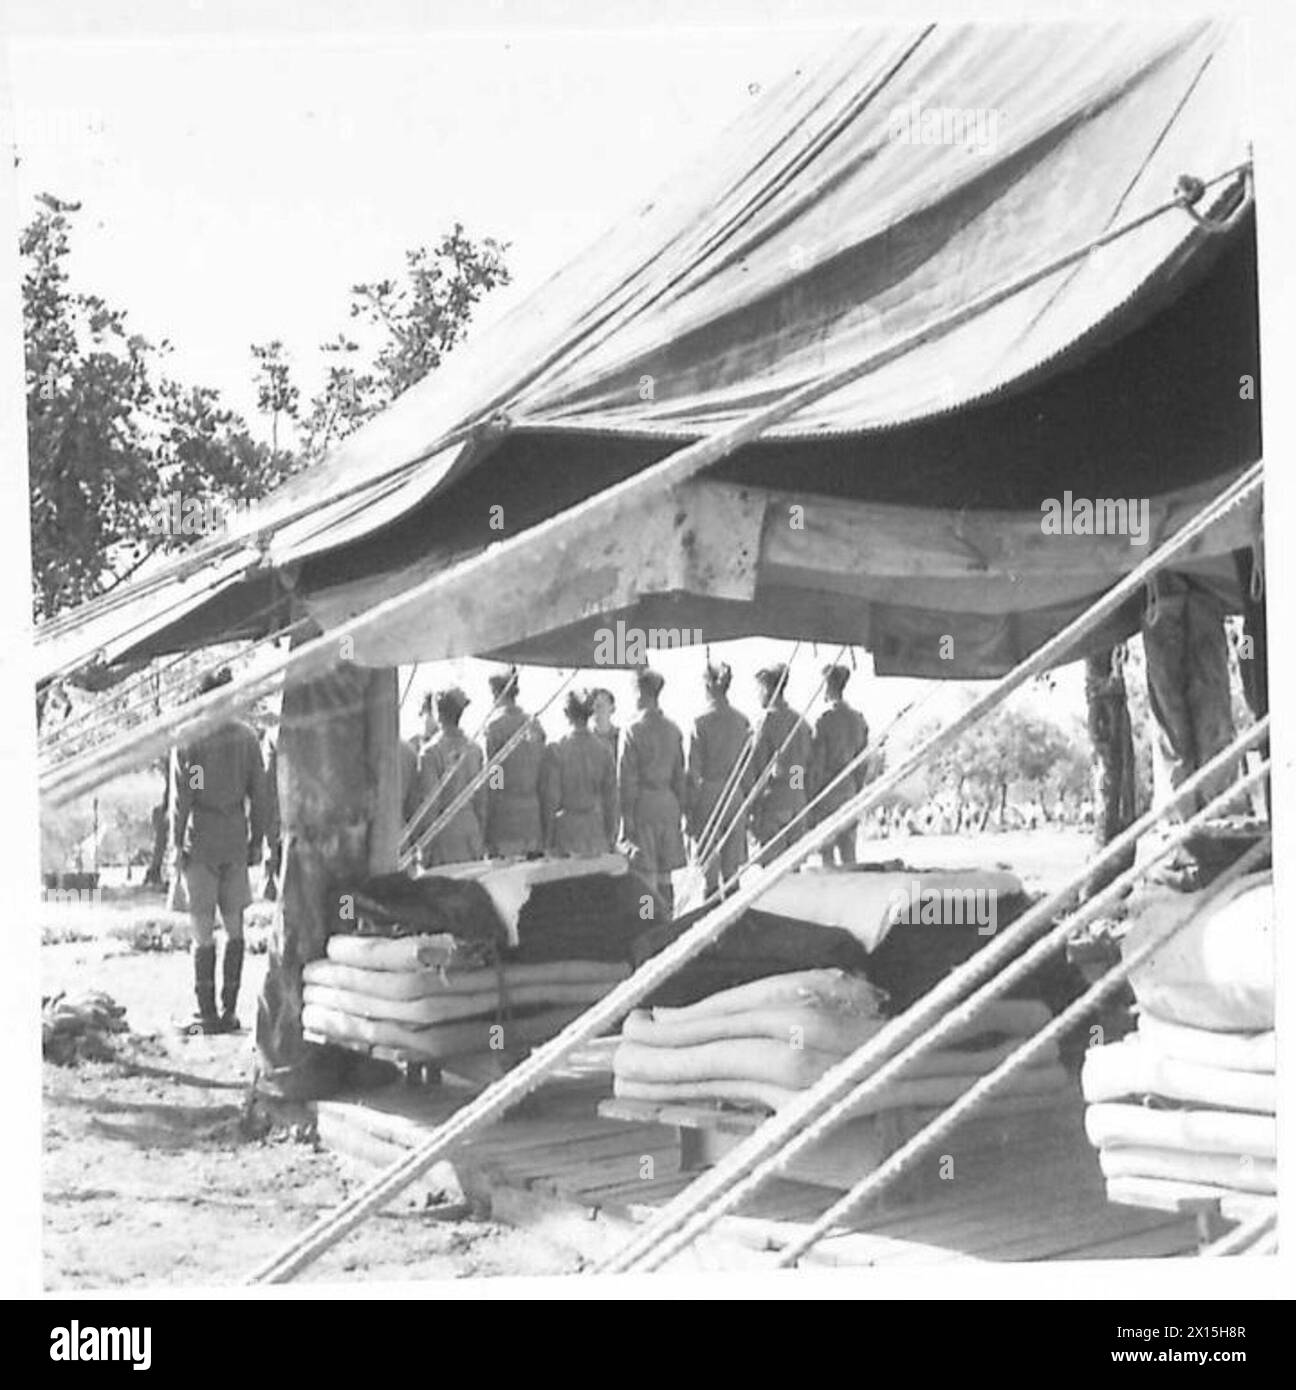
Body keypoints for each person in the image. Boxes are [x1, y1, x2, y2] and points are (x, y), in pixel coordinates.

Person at [170, 667, 269, 1035]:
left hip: (201, 841)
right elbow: (260, 794)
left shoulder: (191, 739)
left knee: (202, 930)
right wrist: (257, 840)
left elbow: (185, 794)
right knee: (235, 928)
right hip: (235, 839)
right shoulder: (247, 738)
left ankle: (206, 1012)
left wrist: (175, 843)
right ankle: (230, 1010)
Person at [619, 668, 687, 916]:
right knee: (665, 873)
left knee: (645, 874)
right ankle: (668, 919)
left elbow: (626, 779)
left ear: (640, 693)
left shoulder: (632, 729)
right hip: (668, 804)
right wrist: (681, 810)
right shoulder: (673, 729)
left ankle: (647, 920)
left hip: (643, 805)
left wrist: (626, 818)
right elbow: (680, 775)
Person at [686, 661, 752, 895]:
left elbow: (693, 771)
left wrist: (690, 809)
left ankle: (711, 907)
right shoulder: (741, 721)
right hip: (735, 794)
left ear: (707, 687)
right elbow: (748, 767)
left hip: (709, 794)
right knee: (732, 869)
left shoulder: (700, 722)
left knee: (710, 872)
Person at [412, 687, 486, 867]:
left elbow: (430, 804)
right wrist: (481, 834)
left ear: (438, 713)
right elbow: (484, 798)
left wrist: (426, 848)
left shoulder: (430, 752)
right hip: (471, 830)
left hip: (444, 835)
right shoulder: (475, 749)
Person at [750, 663, 813, 865]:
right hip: (797, 798)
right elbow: (803, 764)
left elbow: (758, 769)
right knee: (794, 868)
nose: (757, 695)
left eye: (759, 689)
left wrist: (752, 808)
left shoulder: (766, 722)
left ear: (767, 688)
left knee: (773, 869)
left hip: (774, 801)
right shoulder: (800, 721)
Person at [541, 689, 617, 855]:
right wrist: (611, 836)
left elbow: (551, 799)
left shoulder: (557, 748)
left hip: (566, 831)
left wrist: (547, 839)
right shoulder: (604, 750)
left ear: (566, 713)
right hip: (595, 829)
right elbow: (611, 799)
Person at [810, 663, 870, 866]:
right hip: (850, 790)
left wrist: (811, 796)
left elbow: (817, 765)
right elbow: (863, 763)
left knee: (827, 857)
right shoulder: (858, 720)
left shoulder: (824, 720)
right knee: (849, 854)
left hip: (828, 791)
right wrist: (857, 790)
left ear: (828, 685)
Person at [483, 667, 546, 857]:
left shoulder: (495, 727)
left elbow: (495, 778)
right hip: (532, 815)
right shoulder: (535, 724)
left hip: (506, 816)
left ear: (496, 693)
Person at [590, 687, 620, 762]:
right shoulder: (586, 739)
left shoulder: (621, 737)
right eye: (595, 704)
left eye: (602, 705)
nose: (597, 708)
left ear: (612, 708)